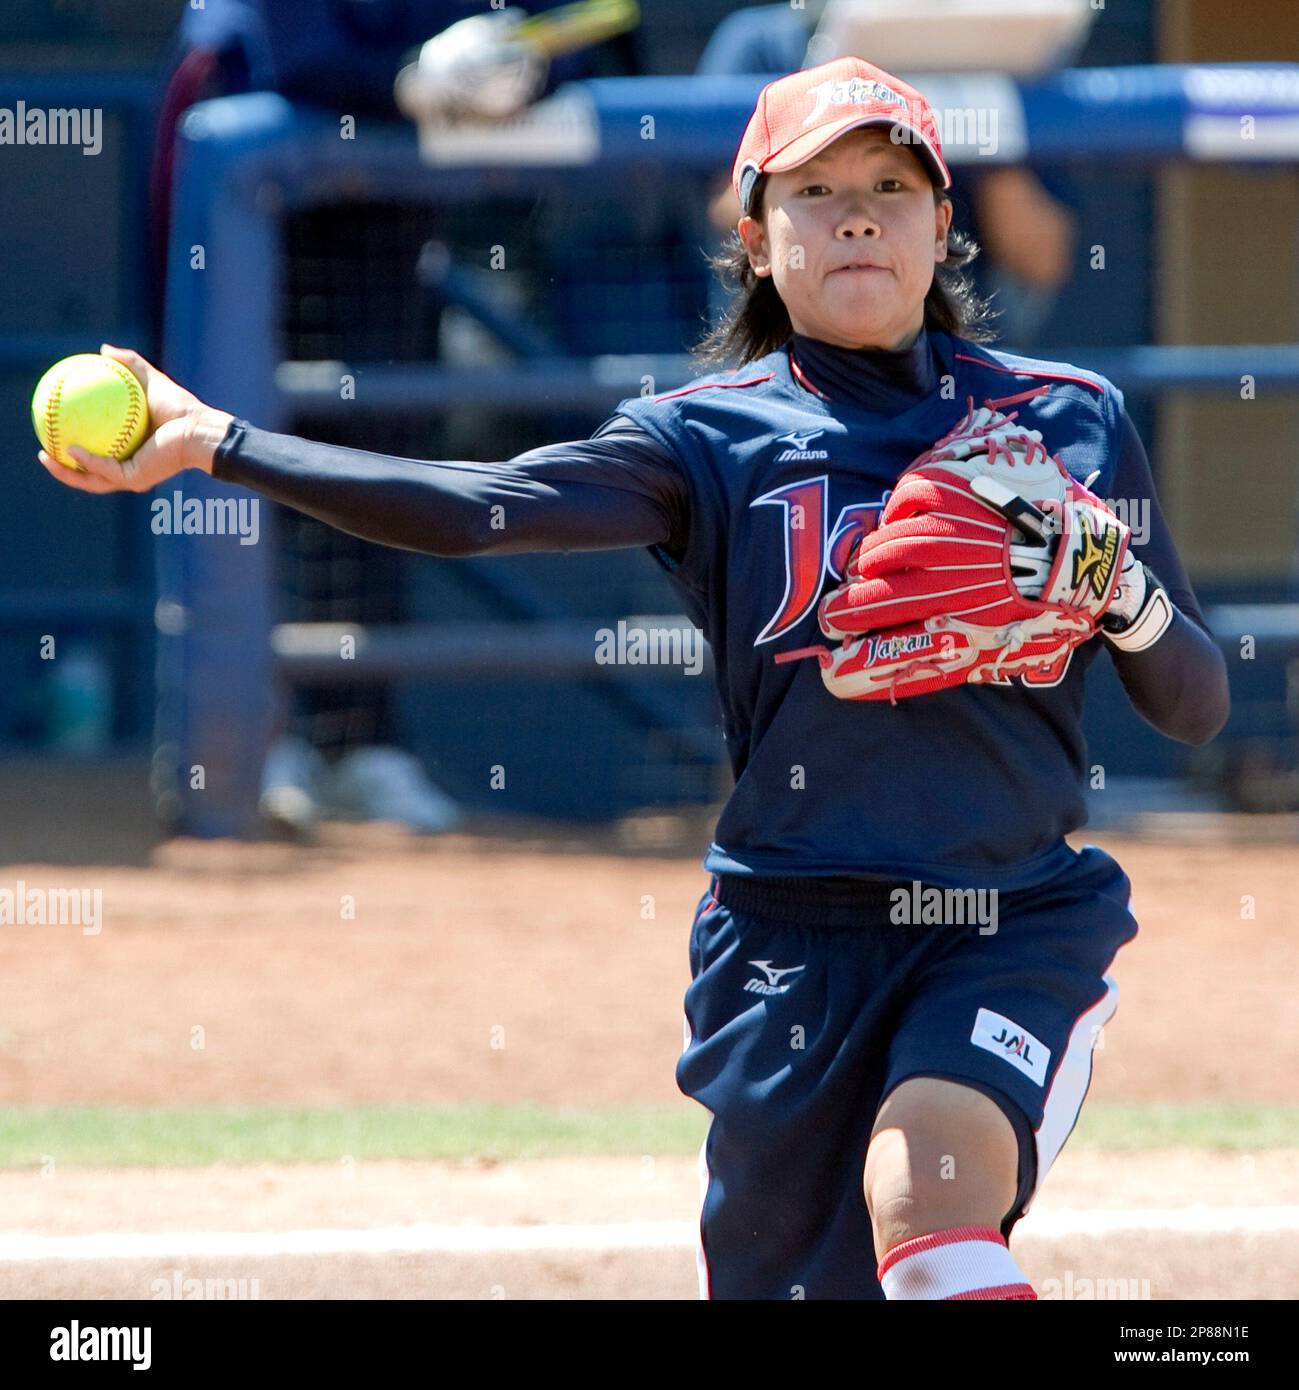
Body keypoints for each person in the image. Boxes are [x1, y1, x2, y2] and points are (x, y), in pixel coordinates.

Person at [40, 56, 1228, 1300]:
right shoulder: (706, 440)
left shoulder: (1067, 422)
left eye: (892, 184)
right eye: (816, 191)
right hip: (789, 933)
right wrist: (220, 443)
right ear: (758, 241)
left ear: (945, 224)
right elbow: (479, 511)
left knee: (927, 1203)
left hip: (1005, 920)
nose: (860, 213)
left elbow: (1191, 705)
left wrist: (1120, 589)